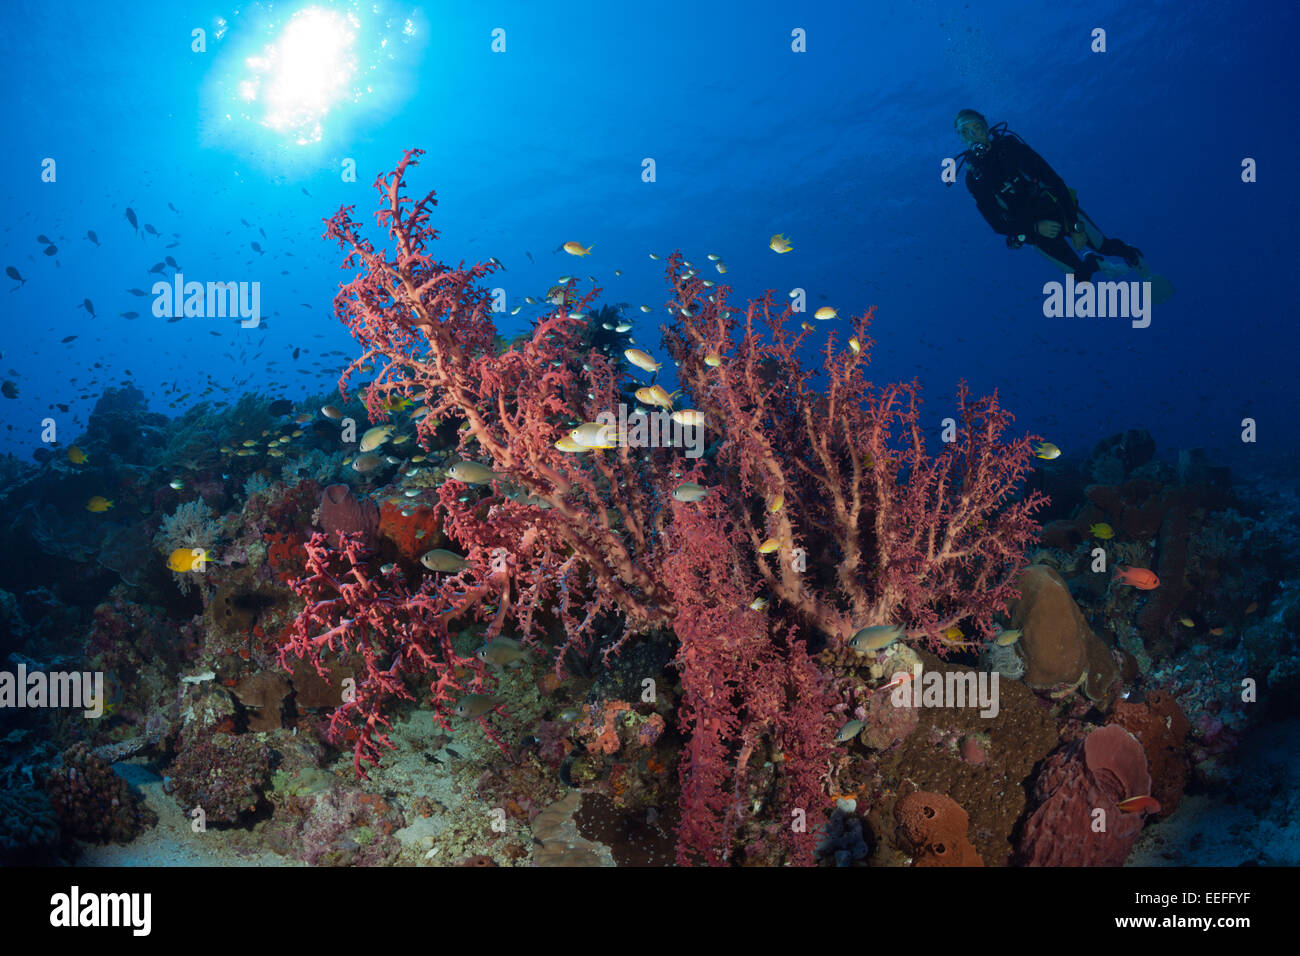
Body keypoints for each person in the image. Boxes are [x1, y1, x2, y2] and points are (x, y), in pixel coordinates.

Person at [953, 109, 1149, 284]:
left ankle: (1131, 254)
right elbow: (997, 224)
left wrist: (1075, 226)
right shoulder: (974, 179)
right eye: (964, 132)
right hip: (1033, 230)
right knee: (1080, 277)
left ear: (986, 128)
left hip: (1059, 209)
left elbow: (1055, 182)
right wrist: (1035, 228)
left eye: (977, 128)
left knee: (1104, 245)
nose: (973, 136)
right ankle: (1094, 263)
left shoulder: (1012, 148)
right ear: (960, 138)